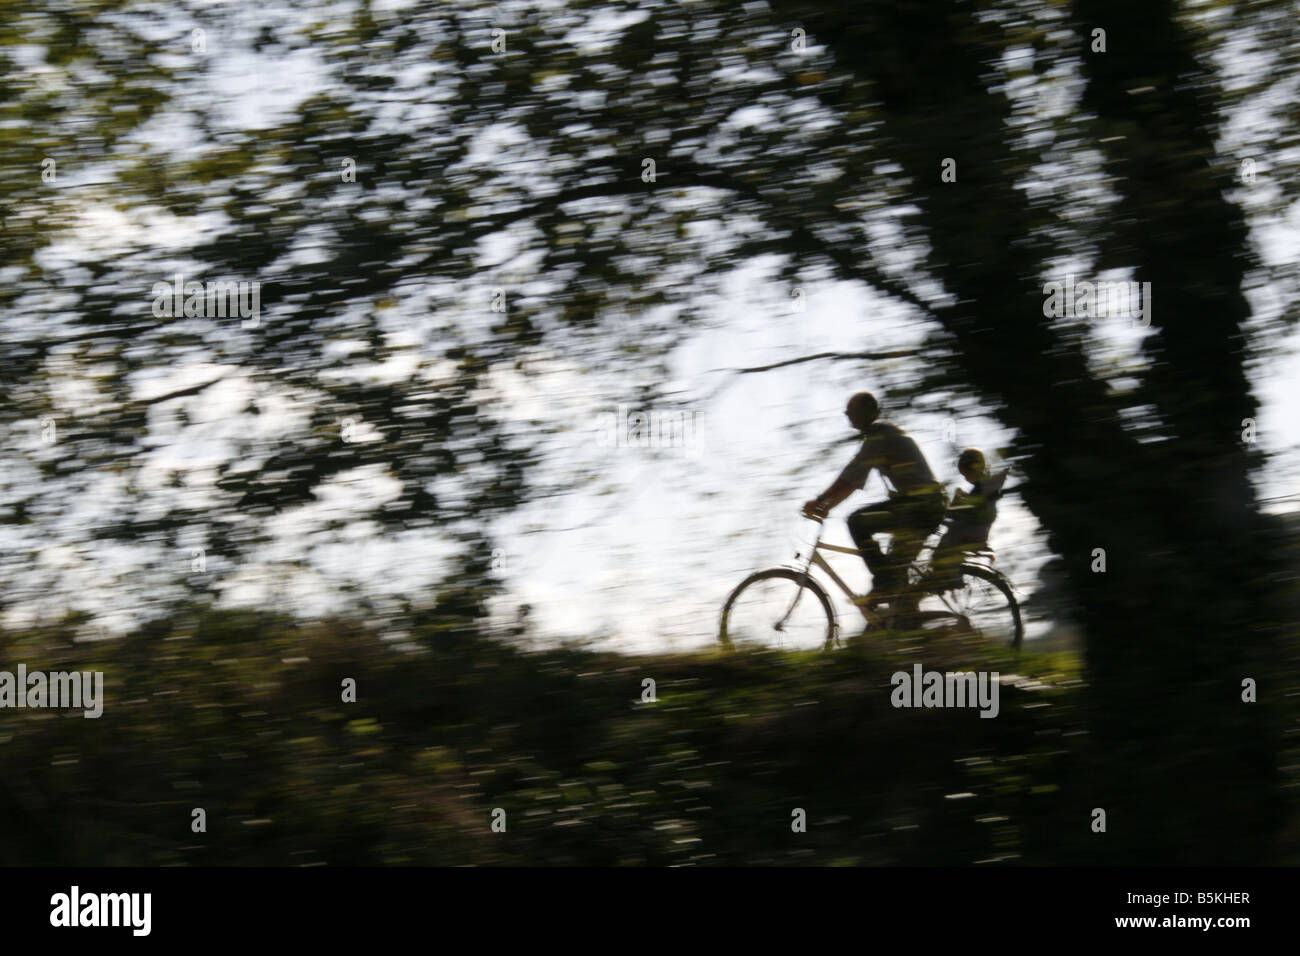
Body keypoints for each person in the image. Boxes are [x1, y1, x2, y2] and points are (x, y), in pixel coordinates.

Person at [802, 392, 947, 611]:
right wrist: (826, 506)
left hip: (921, 506)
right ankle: (906, 621)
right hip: (924, 506)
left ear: (866, 412)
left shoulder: (880, 433)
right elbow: (854, 479)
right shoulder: (880, 432)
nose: (847, 415)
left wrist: (821, 500)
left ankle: (887, 585)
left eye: (850, 411)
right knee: (893, 576)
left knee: (857, 522)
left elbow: (852, 476)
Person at [929, 447, 1008, 592]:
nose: (966, 478)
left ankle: (953, 578)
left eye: (966, 474)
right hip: (974, 528)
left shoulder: (984, 486)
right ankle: (938, 575)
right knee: (944, 544)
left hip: (974, 529)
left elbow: (973, 507)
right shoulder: (982, 486)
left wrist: (953, 505)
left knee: (952, 536)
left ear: (974, 468)